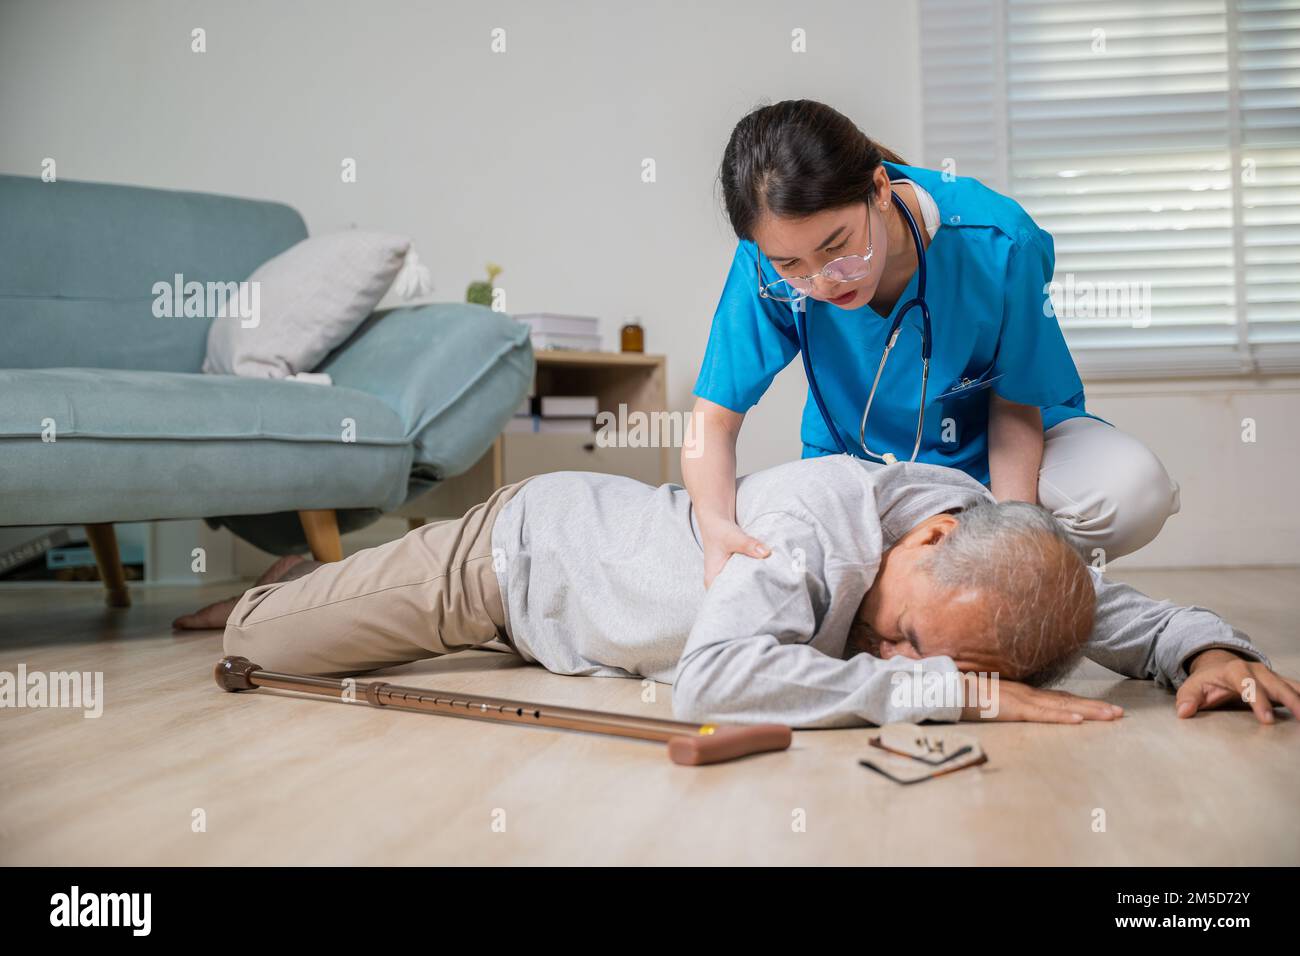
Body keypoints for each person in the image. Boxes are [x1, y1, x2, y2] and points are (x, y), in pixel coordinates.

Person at [178, 457, 1298, 729]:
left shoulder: (992, 558)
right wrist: (964, 699)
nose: (901, 656)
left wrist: (1205, 651)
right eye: (907, 633)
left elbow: (1117, 612)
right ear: (930, 534)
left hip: (580, 623)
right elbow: (710, 680)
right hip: (510, 561)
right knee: (263, 637)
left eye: (935, 660)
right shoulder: (809, 522)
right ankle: (298, 570)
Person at [685, 99, 1181, 589]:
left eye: (837, 248)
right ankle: (927, 581)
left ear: (878, 188)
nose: (823, 282)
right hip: (858, 469)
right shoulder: (766, 261)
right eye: (791, 266)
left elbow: (1015, 410)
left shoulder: (998, 241)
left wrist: (1013, 534)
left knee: (1132, 491)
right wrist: (713, 524)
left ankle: (948, 579)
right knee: (738, 530)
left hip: (993, 459)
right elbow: (713, 418)